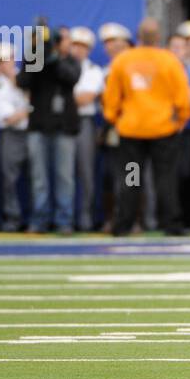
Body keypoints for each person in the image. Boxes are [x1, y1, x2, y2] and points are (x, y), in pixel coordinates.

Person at [102, 18, 190, 236]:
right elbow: (182, 97)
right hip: (162, 131)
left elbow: (111, 97)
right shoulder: (169, 61)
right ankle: (171, 224)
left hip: (132, 132)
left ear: (139, 37)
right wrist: (180, 121)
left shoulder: (123, 61)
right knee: (165, 179)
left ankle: (124, 225)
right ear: (158, 37)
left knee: (131, 179)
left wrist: (113, 119)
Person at [17, 23, 80, 233]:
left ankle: (64, 220)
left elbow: (70, 77)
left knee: (64, 177)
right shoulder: (36, 59)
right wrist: (39, 55)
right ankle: (39, 219)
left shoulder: (70, 61)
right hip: (38, 126)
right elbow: (23, 81)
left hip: (64, 127)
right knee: (38, 178)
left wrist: (54, 59)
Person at [0, 44, 31, 232]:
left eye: (8, 59)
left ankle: (37, 218)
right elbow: (9, 118)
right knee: (10, 179)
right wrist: (31, 109)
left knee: (37, 178)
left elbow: (39, 97)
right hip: (11, 135)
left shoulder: (26, 77)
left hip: (32, 133)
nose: (6, 64)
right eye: (1, 61)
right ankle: (12, 218)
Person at [68, 27, 104, 231]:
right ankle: (67, 219)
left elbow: (86, 98)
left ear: (88, 49)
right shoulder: (61, 69)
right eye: (75, 45)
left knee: (86, 172)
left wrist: (64, 99)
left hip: (84, 123)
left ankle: (85, 218)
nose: (78, 50)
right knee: (65, 174)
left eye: (82, 46)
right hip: (63, 123)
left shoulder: (94, 71)